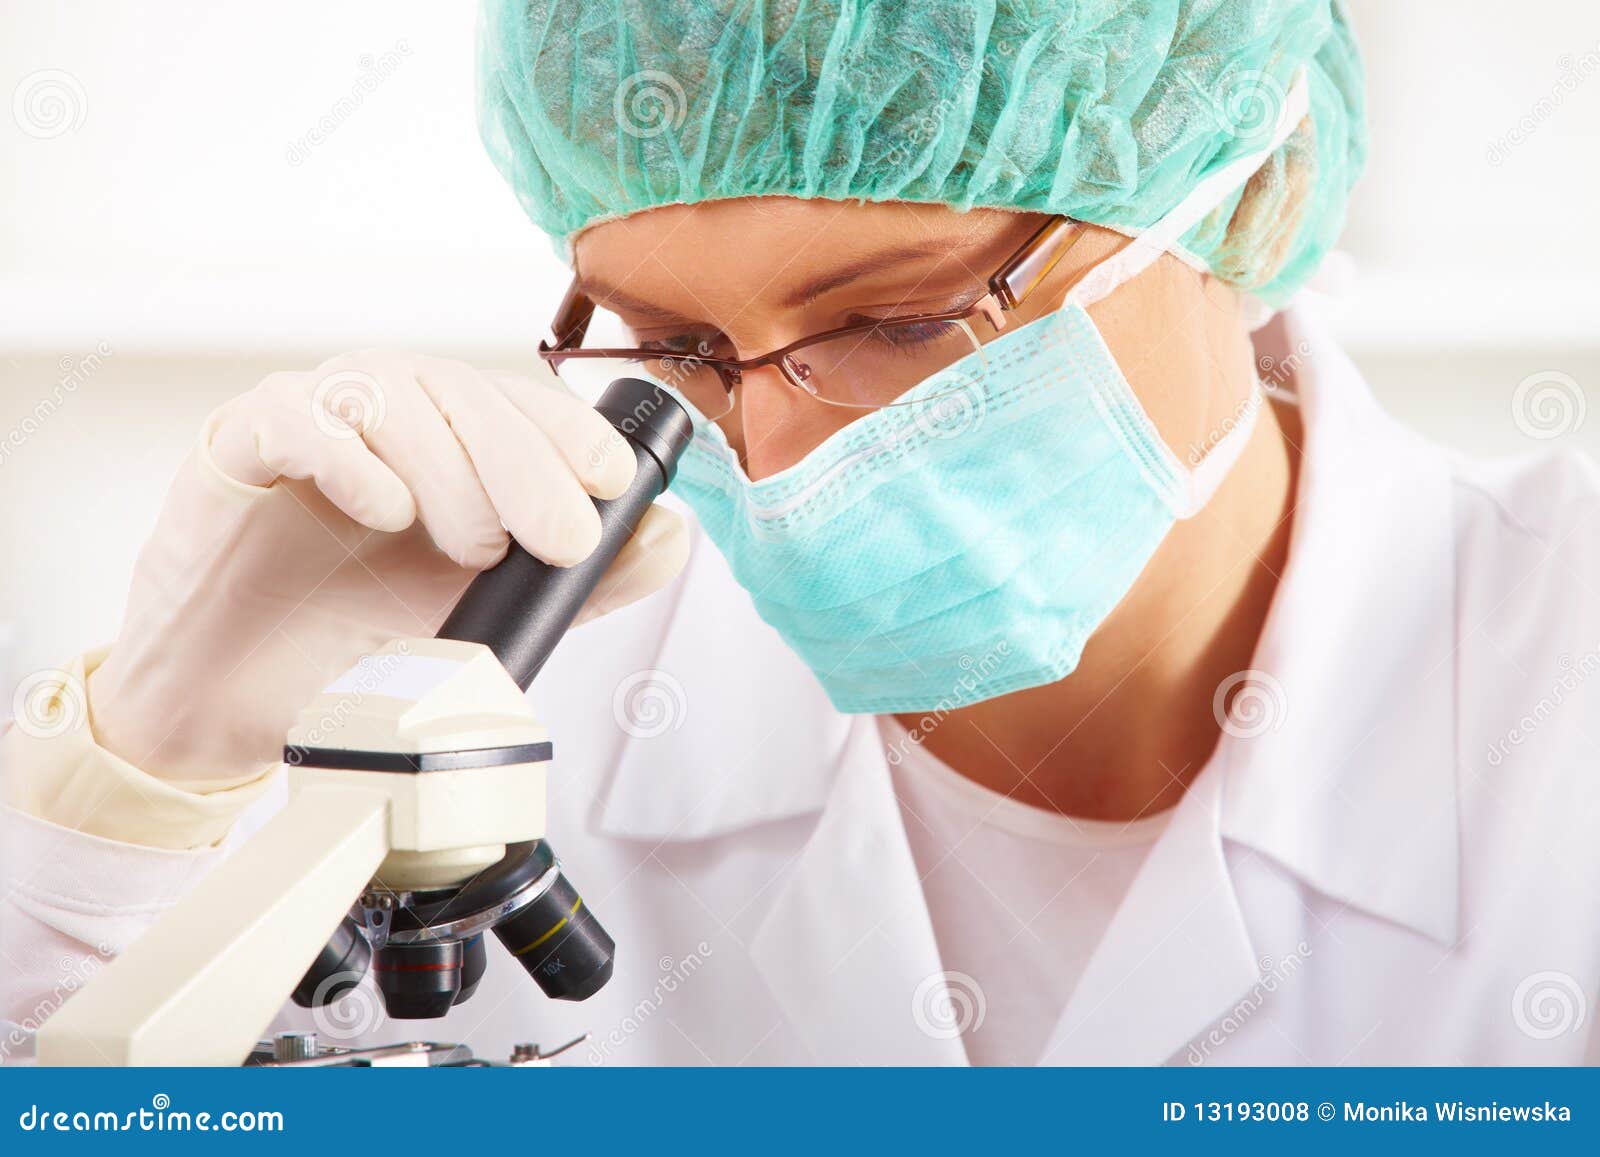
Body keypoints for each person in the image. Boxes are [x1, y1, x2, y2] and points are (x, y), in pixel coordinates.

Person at [5, 0, 1599, 1066]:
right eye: (676, 345)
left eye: (899, 324)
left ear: (1248, 198)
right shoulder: (513, 703)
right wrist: (149, 775)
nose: (773, 457)